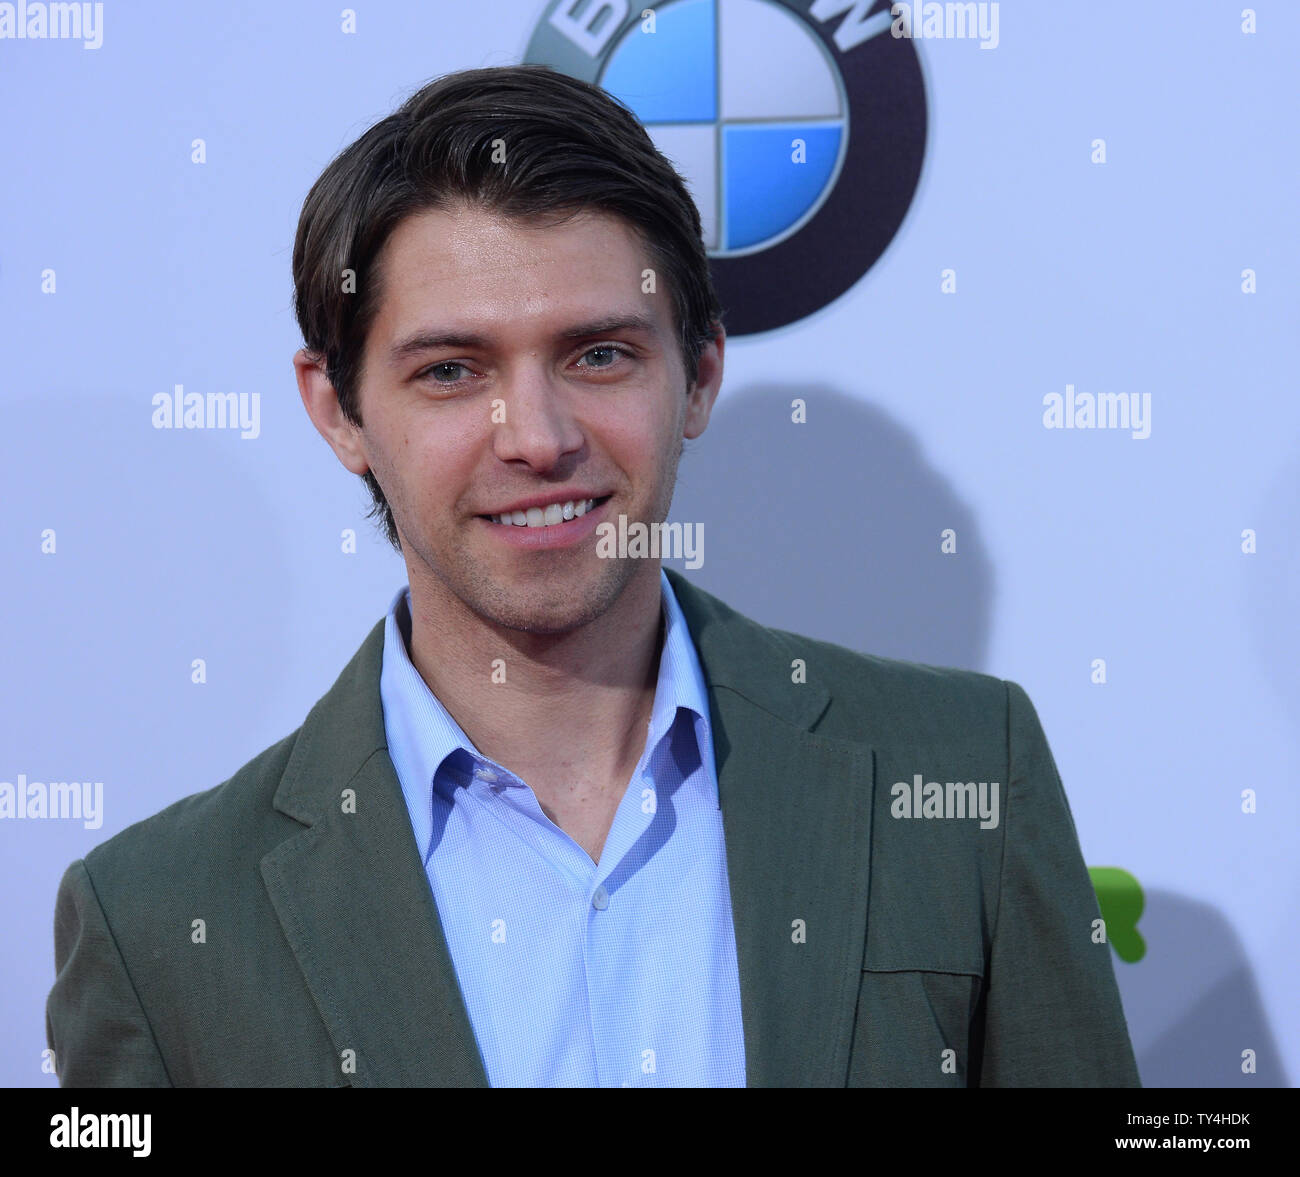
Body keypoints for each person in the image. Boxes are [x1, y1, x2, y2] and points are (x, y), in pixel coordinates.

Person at [45, 64, 1140, 1087]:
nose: (535, 436)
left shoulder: (959, 775)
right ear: (338, 411)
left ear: (699, 374)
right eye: (449, 371)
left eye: (599, 354)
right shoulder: (161, 919)